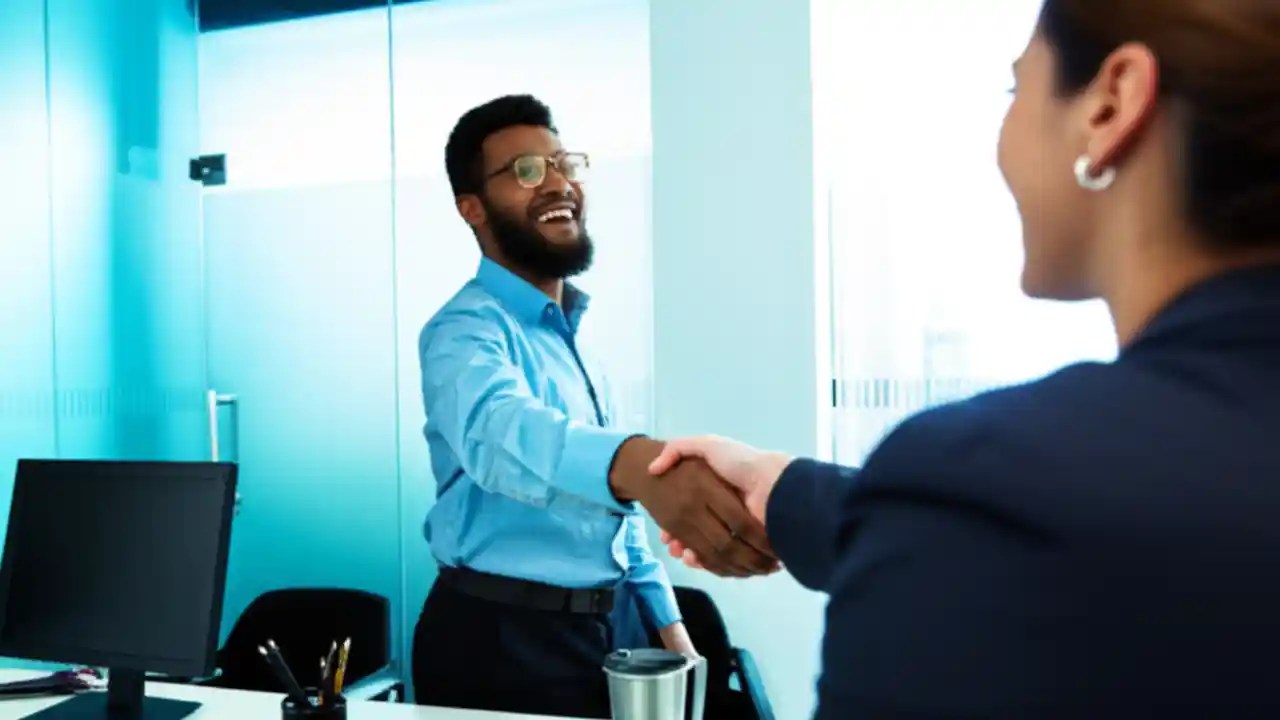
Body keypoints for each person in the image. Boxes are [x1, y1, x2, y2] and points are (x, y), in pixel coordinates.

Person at [653, 0, 1280, 716]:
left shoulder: (981, 484)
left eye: (1017, 90)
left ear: (1112, 104)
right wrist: (794, 493)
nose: (1005, 137)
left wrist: (919, 504)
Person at [411, 95, 776, 718]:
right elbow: (501, 434)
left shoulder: (580, 351)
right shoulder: (463, 333)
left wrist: (672, 631)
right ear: (472, 208)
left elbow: (617, 513)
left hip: (609, 632)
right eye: (525, 171)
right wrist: (637, 464)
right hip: (498, 639)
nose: (556, 183)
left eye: (562, 163)